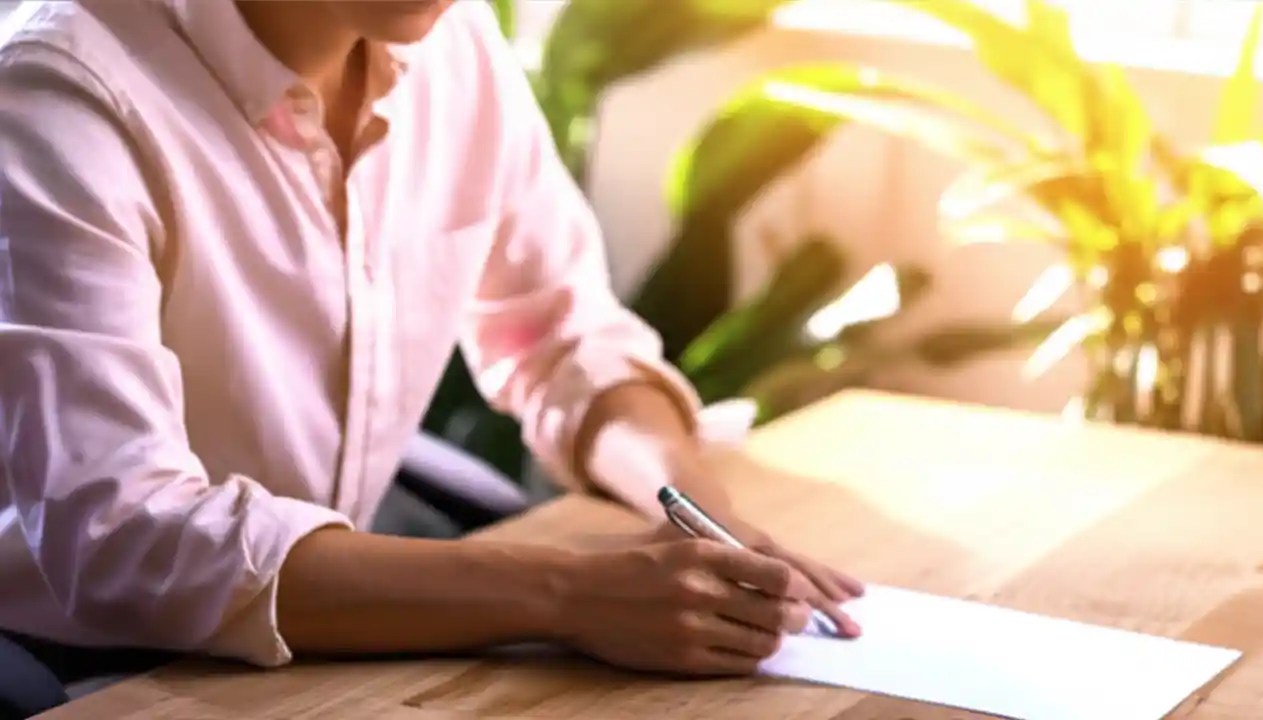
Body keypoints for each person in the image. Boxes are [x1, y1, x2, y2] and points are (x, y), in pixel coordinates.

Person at [0, 0, 864, 706]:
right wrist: (566, 595)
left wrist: (701, 516)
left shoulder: (455, 48)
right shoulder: (63, 95)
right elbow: (121, 534)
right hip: (85, 662)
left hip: (331, 636)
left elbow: (564, 335)